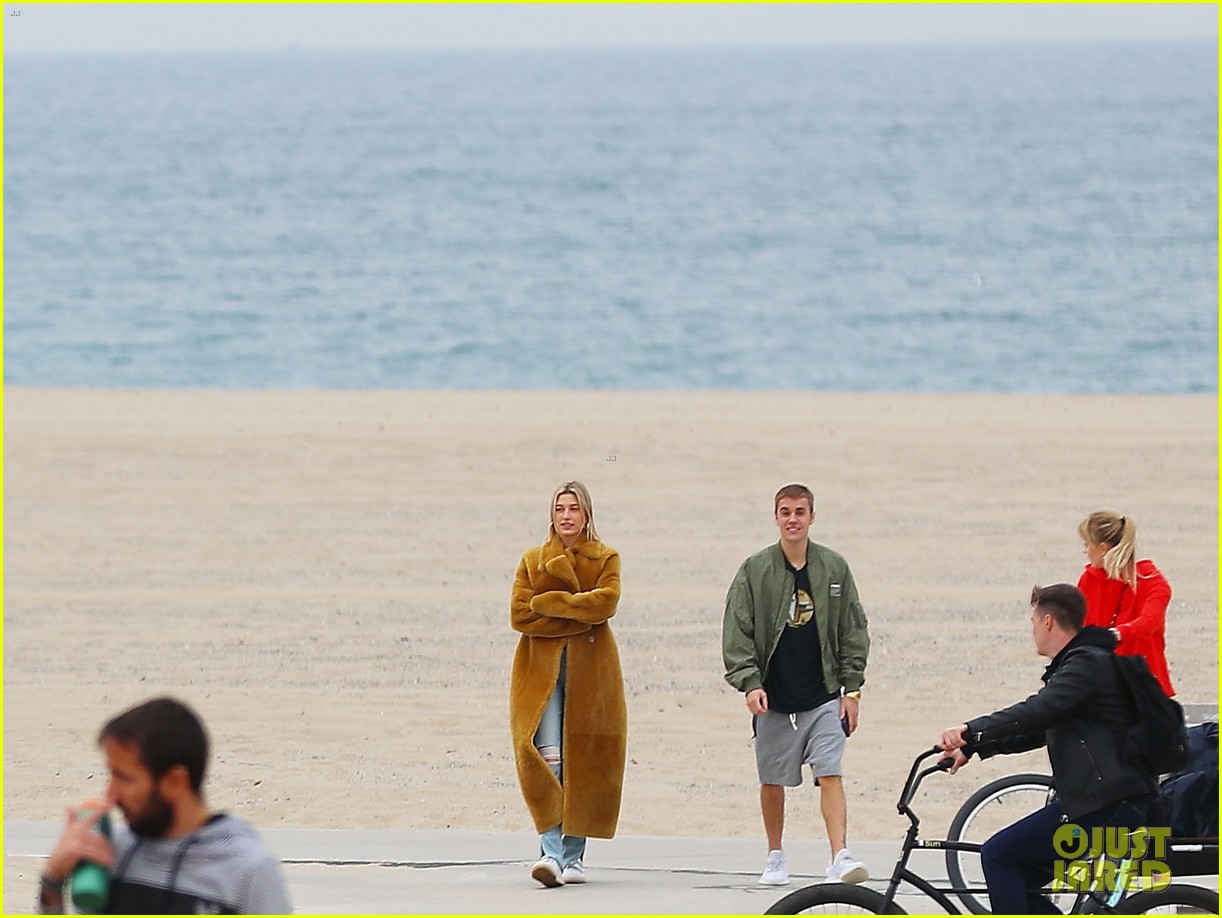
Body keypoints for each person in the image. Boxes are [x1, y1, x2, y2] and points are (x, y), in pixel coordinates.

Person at [937, 583, 1157, 915]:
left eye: (1033, 621)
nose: (1033, 629)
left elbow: (1037, 710)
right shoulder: (1080, 665)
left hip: (1110, 802)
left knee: (999, 855)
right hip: (1103, 800)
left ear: (1049, 621)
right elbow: (1040, 728)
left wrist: (971, 728)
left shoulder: (1085, 666)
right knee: (1018, 872)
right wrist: (972, 747)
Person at [722, 483, 871, 887]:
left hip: (823, 695)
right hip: (774, 698)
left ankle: (840, 854)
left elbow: (854, 629)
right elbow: (737, 630)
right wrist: (750, 683)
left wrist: (852, 690)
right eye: (785, 512)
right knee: (772, 780)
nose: (793, 519)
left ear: (812, 516)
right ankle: (775, 855)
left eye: (800, 511)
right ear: (775, 517)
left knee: (830, 772)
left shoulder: (834, 568)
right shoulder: (755, 570)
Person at [38, 696, 291, 914]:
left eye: (123, 778)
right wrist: (52, 881)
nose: (110, 795)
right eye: (110, 775)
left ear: (175, 781)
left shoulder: (247, 869)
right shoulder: (114, 852)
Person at [509, 481, 627, 888]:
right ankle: (551, 854)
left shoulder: (605, 557)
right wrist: (577, 611)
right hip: (539, 672)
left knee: (585, 761)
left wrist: (549, 603)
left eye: (573, 508)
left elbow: (605, 604)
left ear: (586, 515)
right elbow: (521, 616)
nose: (566, 515)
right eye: (560, 508)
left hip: (591, 673)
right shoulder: (533, 560)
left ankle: (572, 857)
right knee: (546, 756)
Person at [1077, 508, 1175, 696]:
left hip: (1140, 687)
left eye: (1087, 544)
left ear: (1103, 548)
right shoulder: (1088, 579)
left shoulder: (1152, 582)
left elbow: (1149, 623)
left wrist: (1114, 635)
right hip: (1102, 682)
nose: (1085, 551)